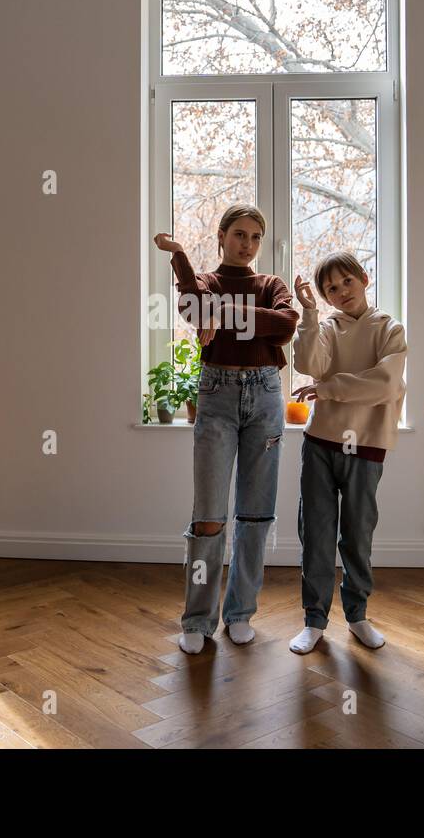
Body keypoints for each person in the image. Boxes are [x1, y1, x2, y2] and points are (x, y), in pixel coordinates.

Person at [152, 203, 297, 654]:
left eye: (255, 236)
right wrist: (179, 256)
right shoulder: (209, 282)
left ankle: (240, 613)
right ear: (221, 235)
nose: (248, 244)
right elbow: (194, 308)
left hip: (267, 397)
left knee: (256, 515)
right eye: (239, 234)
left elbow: (287, 325)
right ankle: (197, 620)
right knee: (209, 517)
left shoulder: (271, 284)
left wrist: (227, 313)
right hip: (216, 397)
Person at [288, 252, 407, 654]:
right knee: (316, 534)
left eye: (346, 283)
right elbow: (309, 364)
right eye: (330, 290)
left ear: (364, 278)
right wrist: (307, 315)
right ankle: (314, 620)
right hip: (319, 442)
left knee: (357, 536)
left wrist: (328, 388)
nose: (340, 293)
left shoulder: (390, 329)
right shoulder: (324, 327)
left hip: (367, 445)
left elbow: (385, 385)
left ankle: (357, 616)